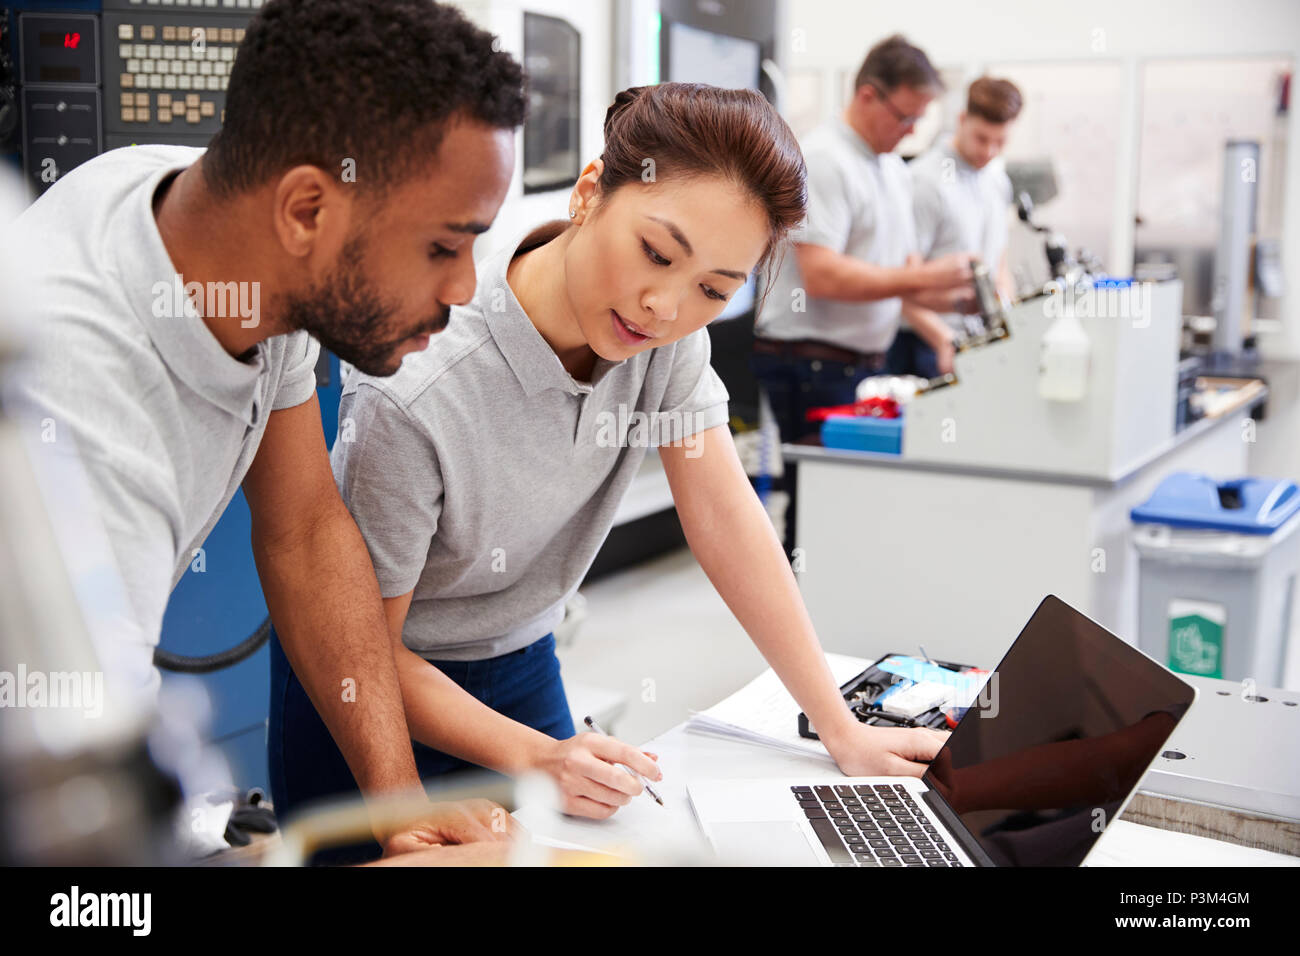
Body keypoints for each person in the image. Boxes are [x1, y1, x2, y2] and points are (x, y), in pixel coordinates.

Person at [271, 83, 949, 833]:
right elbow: (358, 639)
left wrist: (839, 727)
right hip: (371, 685)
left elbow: (728, 522)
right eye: (656, 253)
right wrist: (535, 757)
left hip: (520, 659)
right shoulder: (423, 382)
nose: (666, 306)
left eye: (713, 290)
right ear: (590, 192)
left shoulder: (666, 342)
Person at [4, 0, 526, 861]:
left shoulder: (230, 240)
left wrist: (397, 809)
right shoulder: (89, 419)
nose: (466, 288)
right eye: (443, 246)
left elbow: (306, 529)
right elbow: (89, 879)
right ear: (307, 212)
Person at [749, 35, 976, 552]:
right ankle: (799, 623)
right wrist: (924, 280)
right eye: (905, 116)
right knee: (818, 510)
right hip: (809, 363)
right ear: (869, 96)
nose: (912, 130)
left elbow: (901, 275)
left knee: (854, 509)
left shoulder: (891, 168)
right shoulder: (825, 160)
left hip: (858, 362)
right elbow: (824, 278)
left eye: (920, 120)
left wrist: (957, 304)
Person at [888, 76, 1022, 380]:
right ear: (962, 120)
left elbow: (998, 260)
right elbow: (896, 283)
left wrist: (1009, 319)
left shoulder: (997, 181)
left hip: (977, 338)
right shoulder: (925, 182)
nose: (989, 151)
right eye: (981, 138)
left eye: (1000, 142)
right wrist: (942, 340)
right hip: (923, 343)